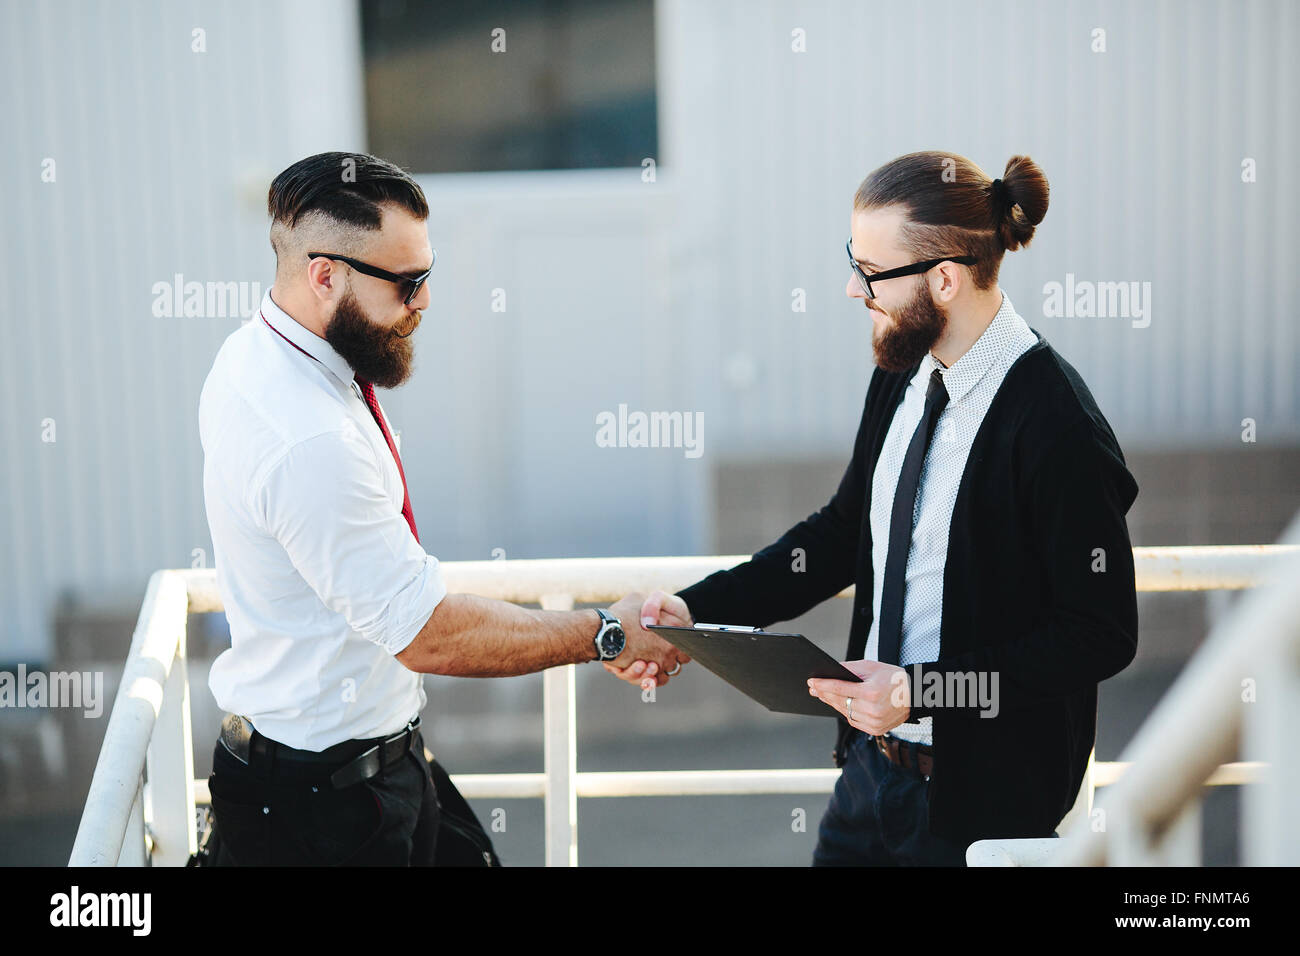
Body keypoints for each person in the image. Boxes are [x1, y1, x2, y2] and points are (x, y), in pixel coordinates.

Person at [609, 151, 1139, 866]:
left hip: (984, 811)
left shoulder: (1058, 424)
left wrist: (920, 692)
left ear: (944, 280)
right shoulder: (905, 369)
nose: (852, 289)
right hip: (869, 777)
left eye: (870, 272)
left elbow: (1099, 634)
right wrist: (694, 614)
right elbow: (839, 535)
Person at [197, 151, 687, 866]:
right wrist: (607, 632)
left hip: (361, 762)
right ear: (324, 275)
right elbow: (427, 634)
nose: (424, 302)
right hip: (325, 813)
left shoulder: (257, 354)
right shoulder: (308, 438)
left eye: (428, 276)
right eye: (407, 282)